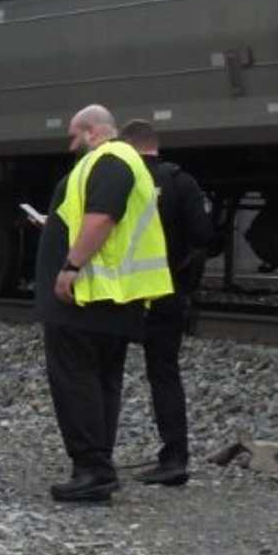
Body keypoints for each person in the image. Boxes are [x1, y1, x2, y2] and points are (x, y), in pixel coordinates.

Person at [36, 104, 174, 502]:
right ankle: (97, 466)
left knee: (76, 381)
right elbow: (95, 218)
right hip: (109, 297)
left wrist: (71, 264)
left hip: (90, 296)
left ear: (94, 132)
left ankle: (92, 469)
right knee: (100, 383)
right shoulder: (116, 163)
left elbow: (102, 218)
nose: (70, 145)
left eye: (73, 136)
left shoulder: (111, 159)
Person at [120, 119, 219, 487]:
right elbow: (204, 236)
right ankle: (175, 456)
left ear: (128, 146)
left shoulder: (124, 181)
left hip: (123, 294)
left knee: (104, 372)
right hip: (167, 291)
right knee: (164, 374)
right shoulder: (182, 181)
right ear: (154, 144)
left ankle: (95, 456)